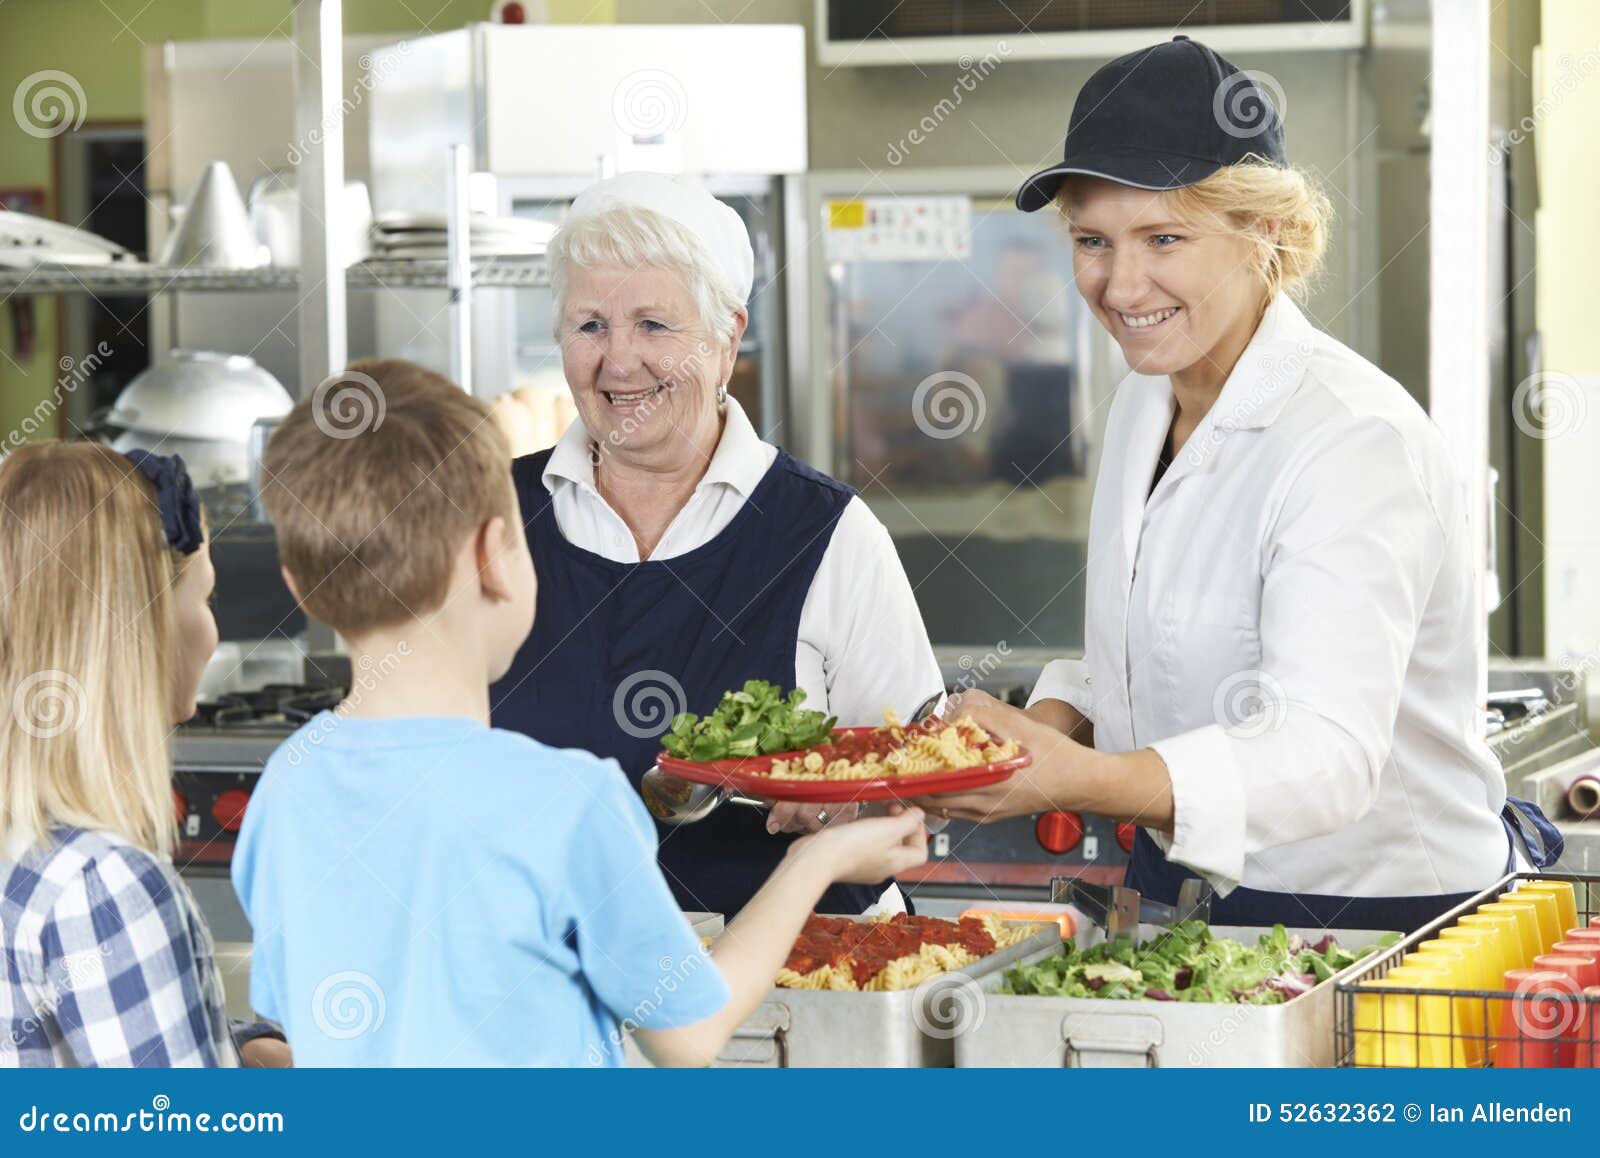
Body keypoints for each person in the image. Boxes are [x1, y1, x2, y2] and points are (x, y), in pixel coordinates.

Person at [913, 36, 1560, 931]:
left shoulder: (1351, 439)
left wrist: (1079, 781)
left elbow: (1323, 755)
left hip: (1380, 924)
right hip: (1192, 906)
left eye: (1164, 237)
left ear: (1268, 232)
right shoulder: (1146, 401)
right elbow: (1145, 655)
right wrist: (1043, 725)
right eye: (1091, 240)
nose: (1119, 282)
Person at [238, 360, 928, 1066]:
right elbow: (687, 1033)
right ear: (495, 558)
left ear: (301, 585)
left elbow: (296, 1037)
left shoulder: (286, 786)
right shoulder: (566, 800)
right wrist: (818, 860)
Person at [488, 172, 942, 917]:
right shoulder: (490, 515)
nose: (619, 362)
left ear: (728, 338)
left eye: (654, 327)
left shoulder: (825, 534)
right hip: (549, 985)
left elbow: (916, 789)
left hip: (799, 988)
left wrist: (843, 808)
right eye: (590, 325)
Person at [0, 444, 289, 1066]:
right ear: (144, 628)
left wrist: (236, 1047)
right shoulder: (103, 889)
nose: (211, 633)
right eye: (205, 599)